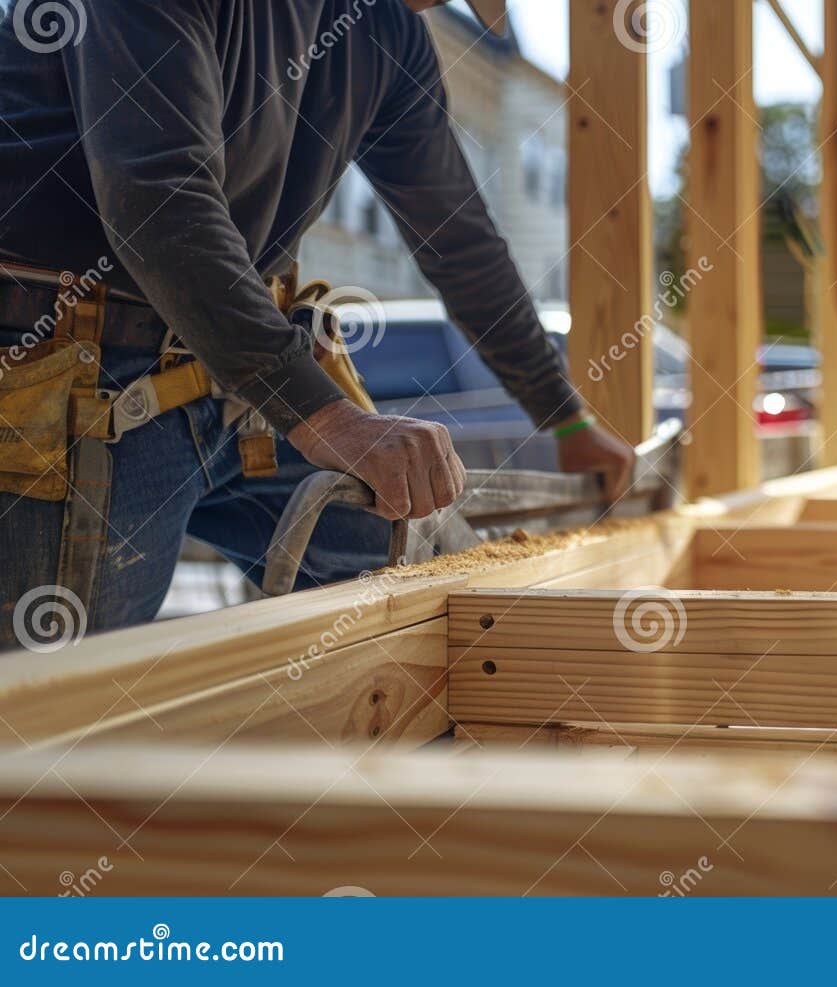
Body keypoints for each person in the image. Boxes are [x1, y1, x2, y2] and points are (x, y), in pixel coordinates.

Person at [0, 0, 635, 648]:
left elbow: (462, 243)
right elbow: (159, 202)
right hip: (74, 369)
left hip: (237, 377)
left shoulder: (388, 31)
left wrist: (565, 417)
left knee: (417, 606)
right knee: (55, 702)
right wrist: (330, 419)